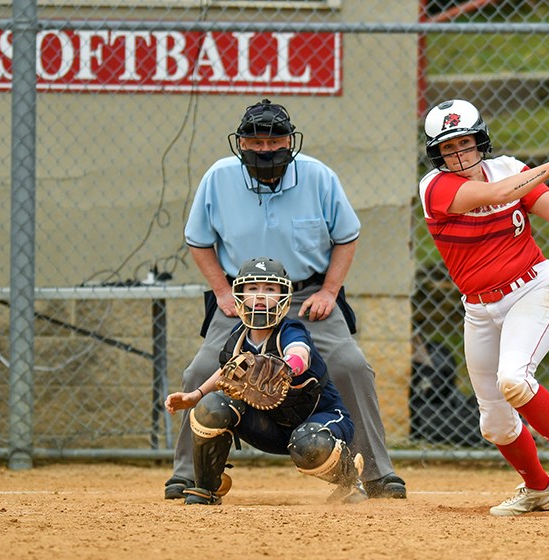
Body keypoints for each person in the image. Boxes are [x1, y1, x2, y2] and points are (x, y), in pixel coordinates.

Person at [165, 99, 406, 501]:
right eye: (254, 140)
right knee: (199, 371)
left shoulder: (318, 176)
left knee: (351, 366)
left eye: (274, 139)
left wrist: (329, 290)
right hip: (244, 300)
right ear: (239, 142)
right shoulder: (218, 178)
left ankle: (377, 471)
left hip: (308, 295)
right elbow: (199, 241)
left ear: (290, 141)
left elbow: (346, 236)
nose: (265, 148)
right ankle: (191, 473)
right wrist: (223, 292)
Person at [418, 99, 549, 517]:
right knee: (495, 423)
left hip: (533, 290)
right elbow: (497, 194)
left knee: (515, 380)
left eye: (465, 143)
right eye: (449, 148)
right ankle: (538, 488)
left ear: (479, 140)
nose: (459, 155)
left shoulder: (510, 168)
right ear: (437, 154)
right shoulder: (435, 187)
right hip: (479, 309)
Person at [164, 257, 366, 505]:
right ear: (240, 295)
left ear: (284, 296)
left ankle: (349, 479)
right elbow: (227, 371)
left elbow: (300, 352)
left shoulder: (290, 330)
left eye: (270, 289)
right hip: (272, 427)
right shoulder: (239, 336)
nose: (260, 296)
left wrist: (285, 367)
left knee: (309, 441)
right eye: (253, 289)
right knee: (211, 406)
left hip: (319, 420)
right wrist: (195, 395)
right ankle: (207, 485)